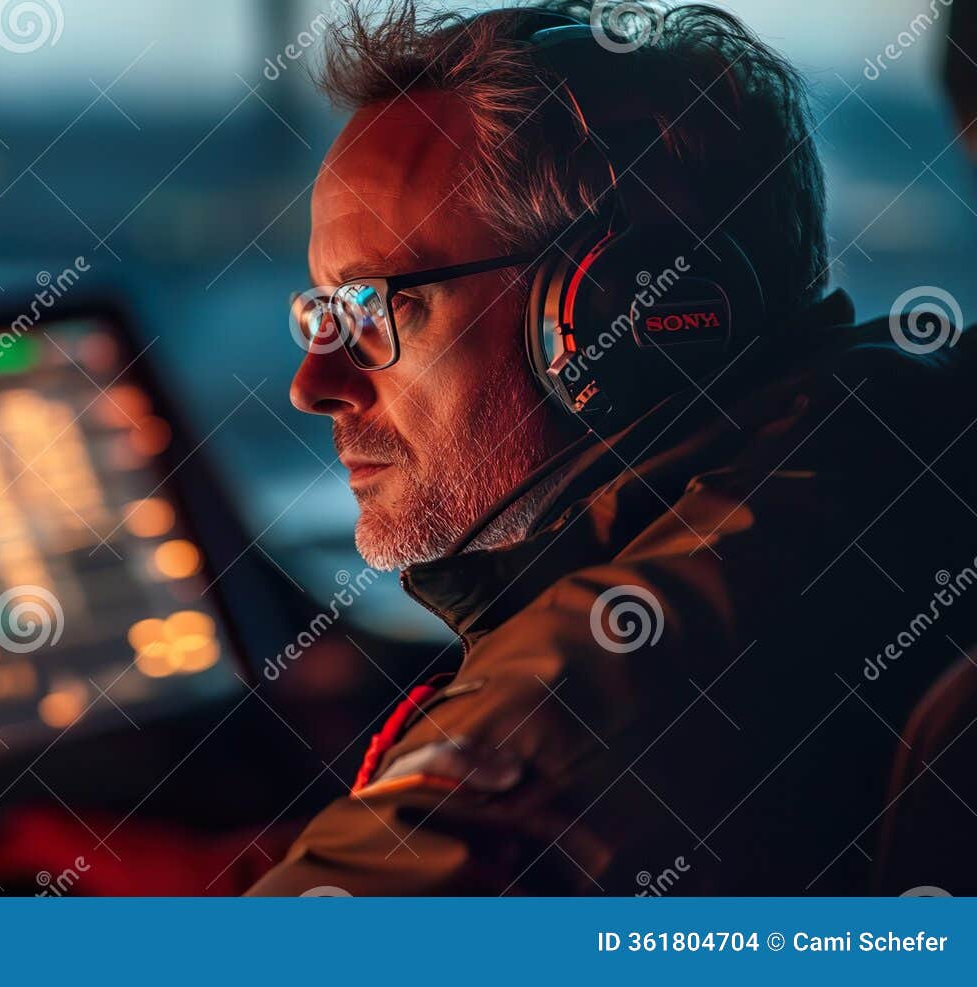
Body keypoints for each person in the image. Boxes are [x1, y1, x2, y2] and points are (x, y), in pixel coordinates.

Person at [250, 0, 977, 895]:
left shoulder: (566, 722)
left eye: (370, 307)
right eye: (319, 312)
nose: (313, 381)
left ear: (611, 319)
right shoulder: (910, 425)